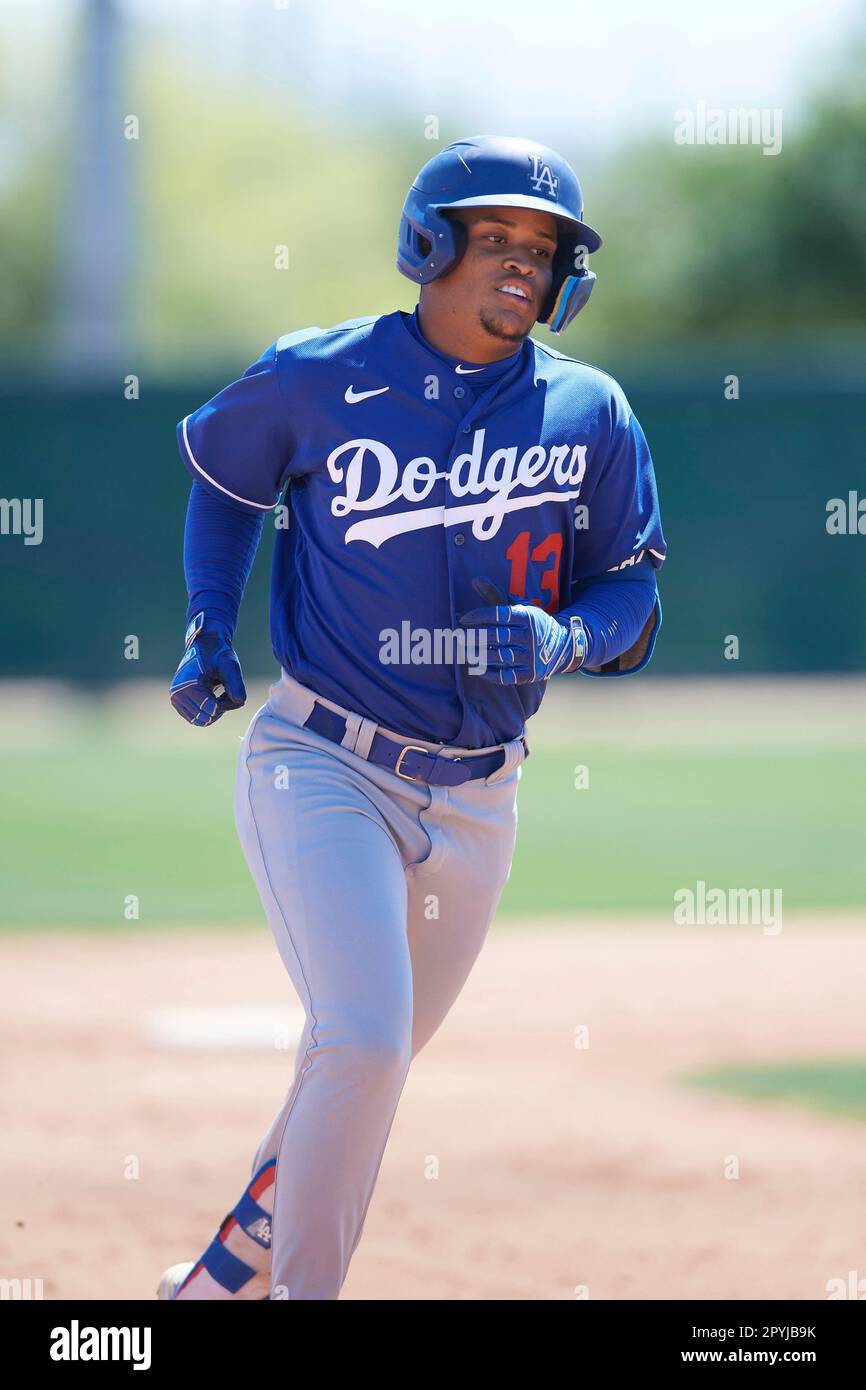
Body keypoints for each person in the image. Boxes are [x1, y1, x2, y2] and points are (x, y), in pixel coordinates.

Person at [159, 134, 666, 1301]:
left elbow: (630, 589)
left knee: (356, 1070)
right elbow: (227, 482)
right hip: (321, 762)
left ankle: (209, 1290)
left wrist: (572, 637)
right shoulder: (314, 373)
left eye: (542, 252)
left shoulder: (589, 411)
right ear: (426, 242)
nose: (521, 268)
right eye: (495, 239)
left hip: (482, 790)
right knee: (366, 1038)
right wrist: (203, 623)